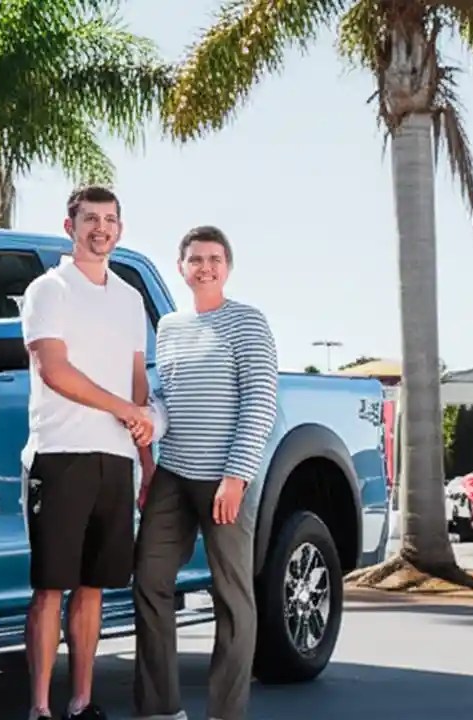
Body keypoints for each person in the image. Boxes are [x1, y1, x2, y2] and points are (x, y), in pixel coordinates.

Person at [131, 225, 279, 720]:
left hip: (226, 479)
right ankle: (160, 709)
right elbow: (167, 397)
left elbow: (260, 402)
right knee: (150, 580)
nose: (205, 267)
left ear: (228, 267)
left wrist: (236, 477)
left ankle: (226, 713)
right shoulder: (170, 327)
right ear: (181, 268)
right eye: (195, 259)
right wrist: (149, 432)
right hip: (173, 473)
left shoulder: (248, 323)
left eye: (214, 259)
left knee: (232, 596)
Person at [20, 185, 155, 720]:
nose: (101, 228)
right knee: (51, 586)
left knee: (94, 587)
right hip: (60, 454)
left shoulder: (129, 298)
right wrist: (125, 407)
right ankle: (40, 708)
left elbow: (137, 379)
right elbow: (53, 370)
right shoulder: (49, 290)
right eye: (90, 219)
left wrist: (145, 460)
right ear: (69, 225)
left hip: (116, 459)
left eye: (110, 220)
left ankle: (80, 703)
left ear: (120, 229)